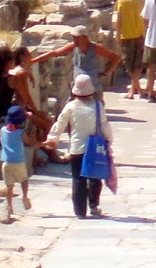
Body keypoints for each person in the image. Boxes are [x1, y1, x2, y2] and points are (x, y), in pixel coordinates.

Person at [49, 74, 112, 219]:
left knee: (78, 178)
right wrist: (109, 140)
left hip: (77, 147)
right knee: (95, 177)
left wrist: (53, 139)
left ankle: (80, 211)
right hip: (94, 148)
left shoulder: (71, 107)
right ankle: (94, 206)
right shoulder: (98, 106)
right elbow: (104, 125)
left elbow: (60, 123)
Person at [36, 27, 120, 98]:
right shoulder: (73, 46)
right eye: (73, 37)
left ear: (84, 38)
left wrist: (107, 72)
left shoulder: (95, 48)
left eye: (77, 37)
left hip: (93, 88)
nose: (74, 39)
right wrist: (34, 60)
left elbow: (116, 58)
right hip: (77, 88)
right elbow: (54, 53)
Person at [115, 0, 146, 99]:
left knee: (128, 64)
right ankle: (135, 89)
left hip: (127, 34)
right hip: (140, 34)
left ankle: (134, 90)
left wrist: (118, 35)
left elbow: (119, 19)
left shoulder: (122, 1)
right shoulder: (141, 1)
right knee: (137, 63)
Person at [0, 104, 31, 221]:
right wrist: (45, 143)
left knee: (9, 186)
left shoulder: (3, 130)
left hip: (6, 162)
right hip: (18, 161)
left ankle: (9, 206)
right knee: (24, 180)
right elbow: (31, 142)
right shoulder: (21, 133)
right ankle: (25, 196)